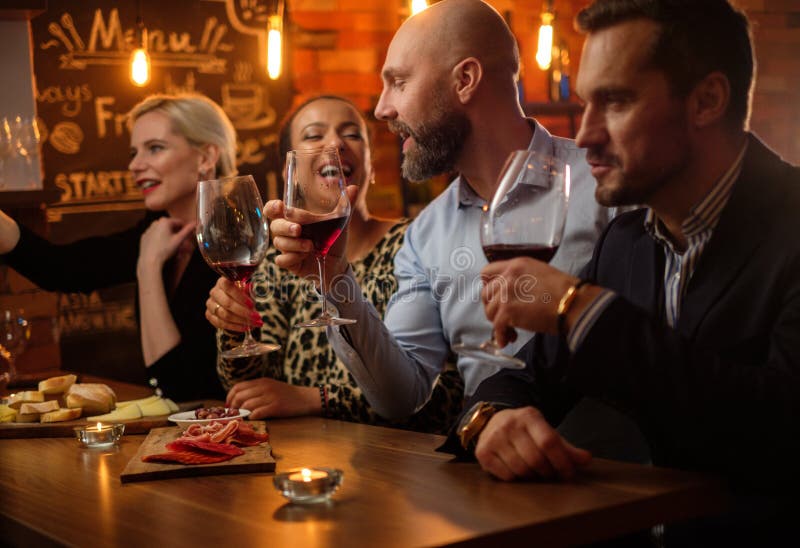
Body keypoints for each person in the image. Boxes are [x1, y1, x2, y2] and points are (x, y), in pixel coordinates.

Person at [448, 0, 800, 544]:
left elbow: (778, 429)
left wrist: (578, 307)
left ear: (707, 100)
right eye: (587, 102)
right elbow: (517, 377)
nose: (584, 134)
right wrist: (490, 421)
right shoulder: (628, 238)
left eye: (615, 101)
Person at [266, 0, 627, 441]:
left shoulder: (607, 187)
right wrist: (335, 277)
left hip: (615, 488)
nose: (382, 109)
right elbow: (401, 397)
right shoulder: (425, 234)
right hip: (485, 480)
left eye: (398, 82)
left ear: (465, 80)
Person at [205, 95, 464, 431]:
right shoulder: (276, 264)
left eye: (352, 134)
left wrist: (315, 399)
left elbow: (448, 393)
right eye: (314, 135)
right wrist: (234, 326)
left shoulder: (417, 244)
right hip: (303, 464)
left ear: (371, 166)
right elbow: (248, 390)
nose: (335, 144)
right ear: (289, 172)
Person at [0, 93, 234, 401]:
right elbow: (63, 269)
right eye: (134, 152)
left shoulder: (238, 244)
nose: (135, 165)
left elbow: (181, 387)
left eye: (155, 148)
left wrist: (148, 266)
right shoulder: (155, 229)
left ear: (205, 158)